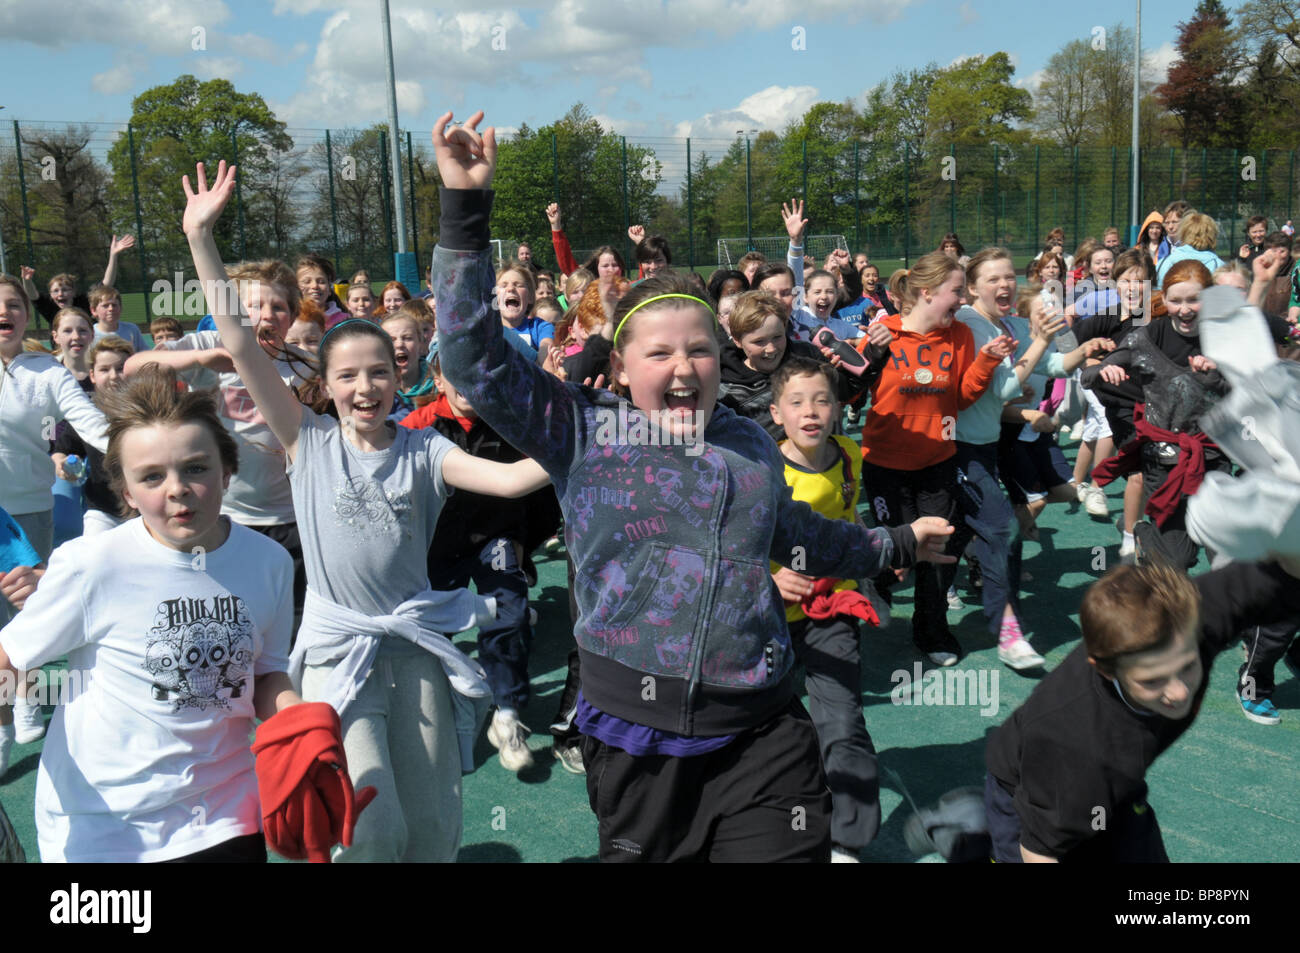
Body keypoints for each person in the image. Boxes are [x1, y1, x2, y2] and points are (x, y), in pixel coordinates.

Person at [431, 110, 957, 862]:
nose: (684, 368)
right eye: (661, 352)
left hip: (762, 728)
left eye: (701, 350)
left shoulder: (747, 440)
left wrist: (898, 541)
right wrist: (464, 212)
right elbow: (474, 357)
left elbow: (801, 537)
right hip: (637, 736)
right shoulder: (581, 428)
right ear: (618, 368)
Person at [183, 158, 551, 861]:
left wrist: (590, 448)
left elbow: (507, 484)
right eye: (347, 374)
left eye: (378, 372)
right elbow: (234, 340)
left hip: (415, 647)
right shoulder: (305, 438)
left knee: (435, 830)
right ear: (325, 382)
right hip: (334, 650)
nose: (364, 386)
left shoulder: (424, 450)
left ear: (399, 376)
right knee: (374, 829)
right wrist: (202, 237)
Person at [0, 364, 309, 862]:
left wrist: (299, 723)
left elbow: (265, 672)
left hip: (224, 813)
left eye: (195, 467)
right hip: (102, 827)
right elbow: (9, 660)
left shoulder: (269, 562)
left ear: (227, 471)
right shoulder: (91, 564)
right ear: (125, 493)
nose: (176, 488)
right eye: (151, 476)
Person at [985, 557, 1300, 862]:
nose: (1178, 692)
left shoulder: (1189, 622)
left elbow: (1279, 573)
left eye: (1188, 666)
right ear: (1107, 671)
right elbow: (1039, 851)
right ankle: (962, 826)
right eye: (1153, 680)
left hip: (1114, 783)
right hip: (1041, 798)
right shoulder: (1077, 750)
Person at [856, 251, 1013, 666]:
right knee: (899, 548)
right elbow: (850, 392)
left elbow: (960, 398)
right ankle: (875, 585)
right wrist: (871, 355)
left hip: (938, 463)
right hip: (885, 465)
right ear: (927, 292)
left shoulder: (959, 335)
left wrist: (987, 360)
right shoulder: (882, 331)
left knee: (939, 551)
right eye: (956, 291)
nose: (961, 300)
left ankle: (932, 632)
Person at [943, 248, 1087, 669]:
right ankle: (1009, 633)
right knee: (1003, 525)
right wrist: (1040, 341)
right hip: (958, 446)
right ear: (972, 288)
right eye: (993, 279)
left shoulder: (1011, 323)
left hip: (989, 445)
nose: (1004, 285)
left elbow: (1053, 364)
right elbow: (1003, 389)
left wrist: (1091, 350)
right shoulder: (970, 325)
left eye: (1008, 277)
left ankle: (923, 598)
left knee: (954, 534)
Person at [401, 353, 544, 772]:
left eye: (474, 372)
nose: (465, 383)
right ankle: (437, 714)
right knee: (429, 630)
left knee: (510, 611)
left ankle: (507, 713)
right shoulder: (416, 427)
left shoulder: (508, 421)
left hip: (494, 539)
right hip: (434, 546)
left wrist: (523, 542)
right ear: (437, 378)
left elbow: (537, 488)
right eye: (453, 372)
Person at [766, 357, 884, 863]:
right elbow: (731, 537)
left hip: (830, 609)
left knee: (841, 718)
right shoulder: (763, 466)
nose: (810, 411)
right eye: (796, 402)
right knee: (767, 728)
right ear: (776, 412)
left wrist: (879, 557)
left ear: (839, 408)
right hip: (764, 617)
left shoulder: (852, 455)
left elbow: (850, 517)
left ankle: (848, 841)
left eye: (821, 400)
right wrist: (769, 577)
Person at [0, 274, 109, 750]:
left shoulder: (48, 373)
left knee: (22, 614)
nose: (3, 312)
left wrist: (141, 454)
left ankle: (23, 699)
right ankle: (2, 723)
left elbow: (90, 424)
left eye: (12, 304)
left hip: (27, 514)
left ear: (26, 313)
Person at [1083, 261, 1228, 570]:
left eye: (1194, 300)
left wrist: (1215, 378)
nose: (1185, 309)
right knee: (1177, 560)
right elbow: (1090, 375)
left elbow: (1245, 390)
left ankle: (1230, 613)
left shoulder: (1224, 337)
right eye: (1176, 301)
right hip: (1162, 461)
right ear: (1165, 299)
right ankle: (1144, 535)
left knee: (1224, 549)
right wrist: (1106, 367)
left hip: (1212, 456)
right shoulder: (1149, 335)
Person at [50, 336, 133, 537]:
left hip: (147, 510)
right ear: (92, 375)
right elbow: (61, 451)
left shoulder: (149, 410)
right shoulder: (86, 414)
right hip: (103, 511)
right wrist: (63, 465)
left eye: (121, 368)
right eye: (104, 370)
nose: (114, 376)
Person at [1156, 212, 1224, 285]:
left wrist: (1145, 296)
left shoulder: (1165, 262)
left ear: (1183, 233)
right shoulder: (1218, 266)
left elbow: (1148, 290)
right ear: (1212, 235)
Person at [89, 285, 146, 353]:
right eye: (105, 306)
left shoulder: (132, 329)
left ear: (121, 308)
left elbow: (145, 353)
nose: (111, 309)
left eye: (114, 305)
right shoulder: (90, 334)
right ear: (94, 310)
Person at [296, 253, 349, 328]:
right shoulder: (291, 319)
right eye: (307, 281)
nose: (314, 286)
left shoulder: (344, 321)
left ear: (330, 288)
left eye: (321, 282)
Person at [50, 307, 95, 388]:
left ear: (92, 335)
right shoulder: (49, 376)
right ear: (56, 337)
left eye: (82, 330)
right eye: (67, 331)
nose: (76, 337)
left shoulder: (105, 372)